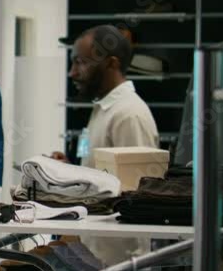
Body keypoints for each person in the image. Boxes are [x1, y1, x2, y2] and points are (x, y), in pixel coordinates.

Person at [51, 24, 158, 166]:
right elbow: (96, 173)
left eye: (80, 62)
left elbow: (138, 184)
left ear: (111, 64)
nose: (72, 73)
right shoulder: (102, 107)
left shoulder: (129, 115)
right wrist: (69, 168)